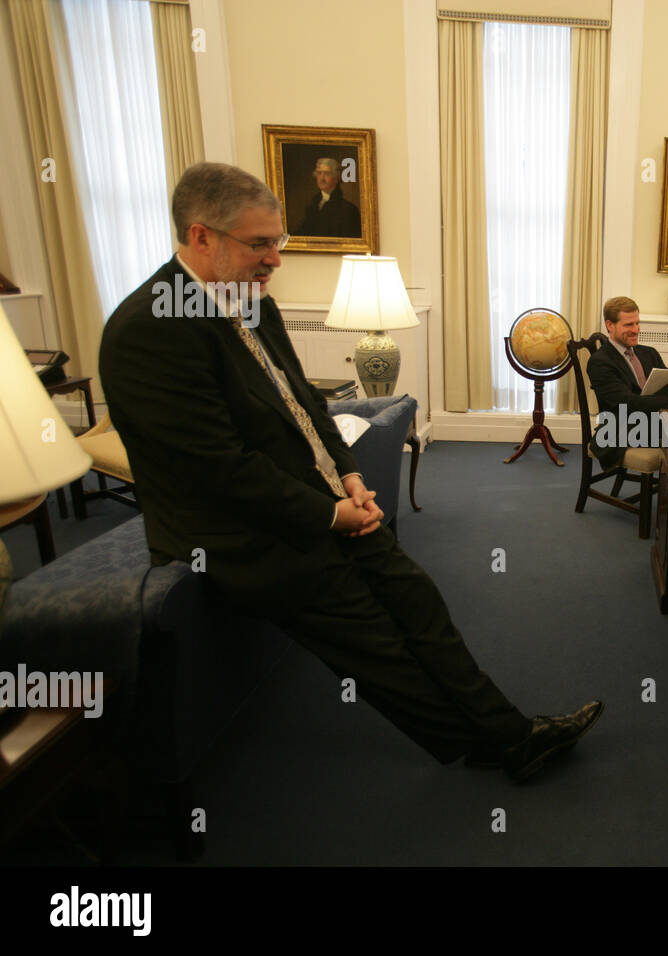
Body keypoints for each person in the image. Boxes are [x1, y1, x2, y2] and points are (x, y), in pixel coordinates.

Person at [100, 162, 602, 783]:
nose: (275, 260)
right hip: (240, 537)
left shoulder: (251, 302)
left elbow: (306, 406)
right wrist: (329, 513)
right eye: (259, 245)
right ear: (200, 237)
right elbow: (217, 470)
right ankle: (491, 742)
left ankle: (507, 736)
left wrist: (350, 477)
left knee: (418, 601)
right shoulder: (148, 330)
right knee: (376, 642)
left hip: (327, 502)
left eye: (276, 243)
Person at [585, 296, 668, 470]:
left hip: (652, 421)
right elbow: (625, 402)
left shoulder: (648, 353)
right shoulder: (600, 362)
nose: (636, 330)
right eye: (628, 325)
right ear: (610, 325)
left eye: (637, 323)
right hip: (620, 429)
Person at [295, 158, 362, 238]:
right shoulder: (311, 206)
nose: (322, 178)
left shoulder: (348, 210)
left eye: (327, 174)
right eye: (319, 173)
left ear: (336, 178)